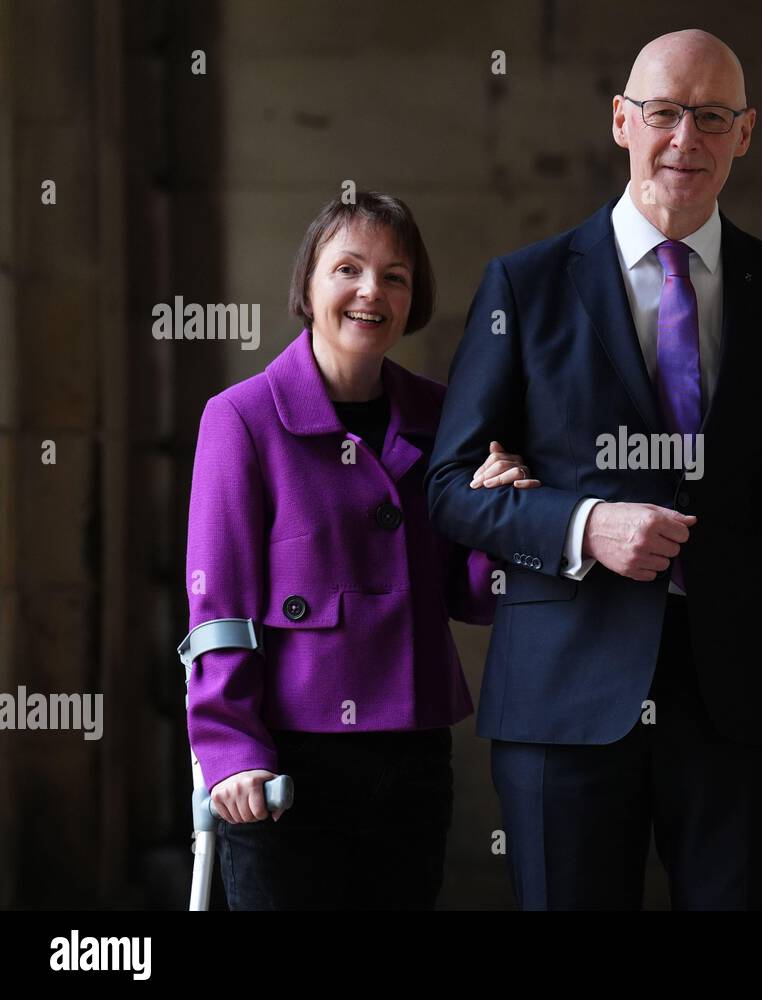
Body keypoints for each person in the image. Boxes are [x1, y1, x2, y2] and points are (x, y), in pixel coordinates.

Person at [427, 29, 762, 910]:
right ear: (622, 121)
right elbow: (449, 485)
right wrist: (584, 525)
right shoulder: (526, 286)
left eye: (712, 117)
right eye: (663, 113)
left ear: (747, 131)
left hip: (747, 696)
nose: (685, 139)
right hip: (564, 696)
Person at [184, 191, 535, 909]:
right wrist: (231, 752)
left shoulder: (445, 415)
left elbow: (471, 596)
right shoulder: (241, 419)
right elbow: (217, 606)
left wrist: (501, 514)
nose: (371, 291)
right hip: (284, 764)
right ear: (308, 288)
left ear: (413, 300)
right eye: (348, 268)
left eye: (395, 276)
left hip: (412, 757)